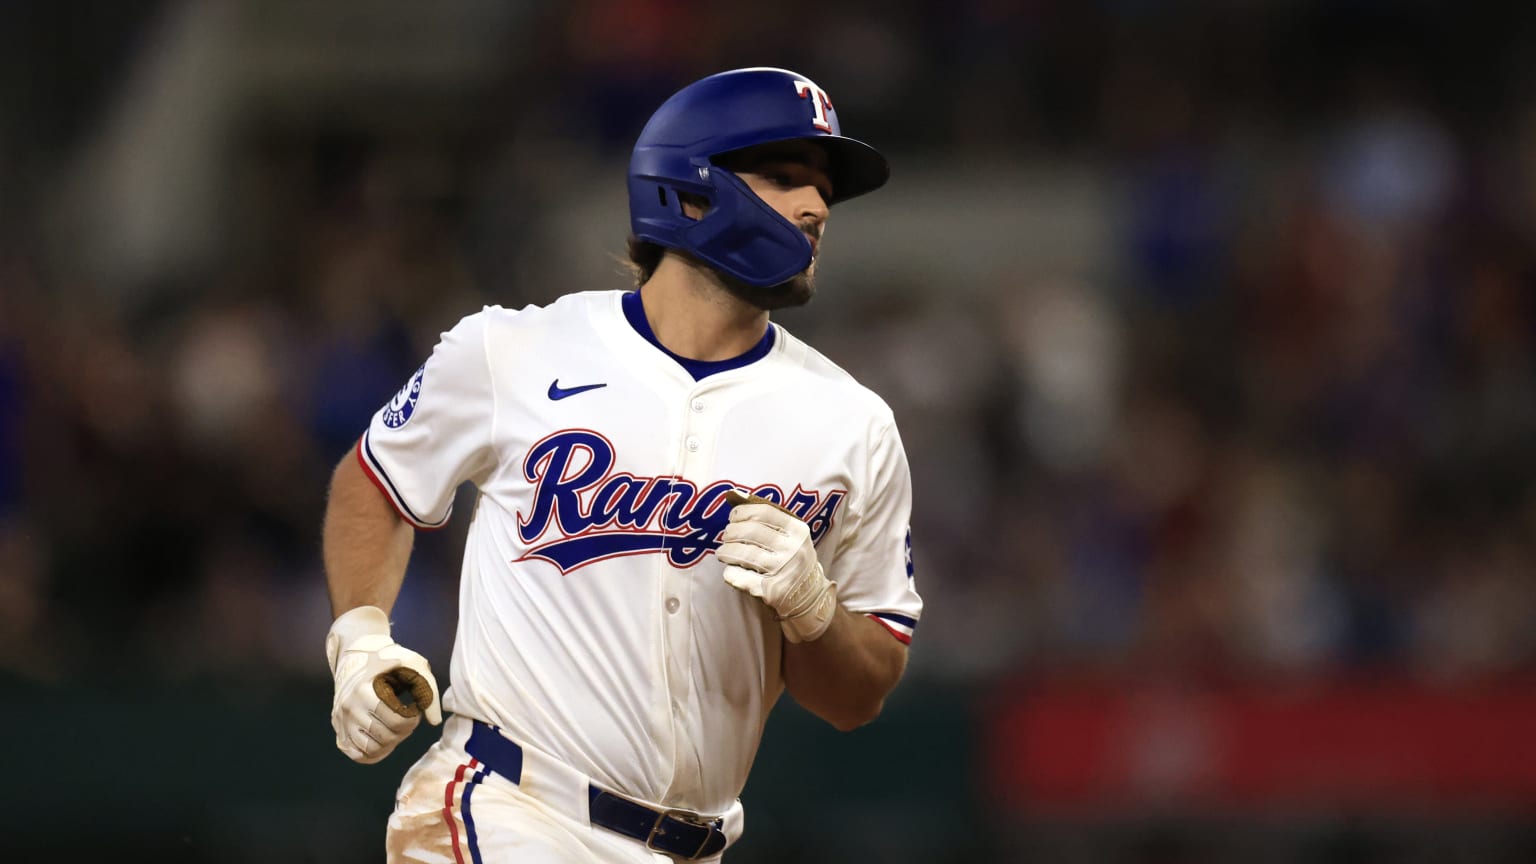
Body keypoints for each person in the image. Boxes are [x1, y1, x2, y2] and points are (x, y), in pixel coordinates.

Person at [321, 66, 924, 863]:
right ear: (691, 189)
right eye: (784, 177)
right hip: (509, 810)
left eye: (823, 191)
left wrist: (813, 613)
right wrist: (361, 636)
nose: (816, 208)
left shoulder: (853, 424)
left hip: (694, 844)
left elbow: (858, 695)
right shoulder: (514, 351)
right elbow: (375, 482)